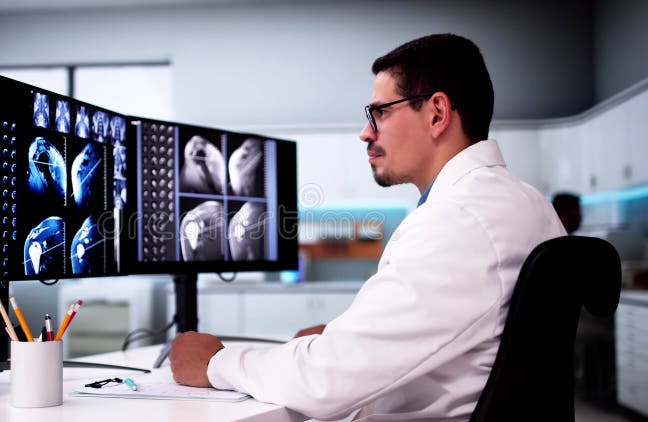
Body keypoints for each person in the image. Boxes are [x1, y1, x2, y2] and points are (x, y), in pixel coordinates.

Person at [169, 33, 566, 421]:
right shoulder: (531, 205)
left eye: (381, 112)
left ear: (437, 113)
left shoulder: (455, 220)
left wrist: (216, 362)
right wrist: (348, 336)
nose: (366, 132)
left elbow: (326, 383)